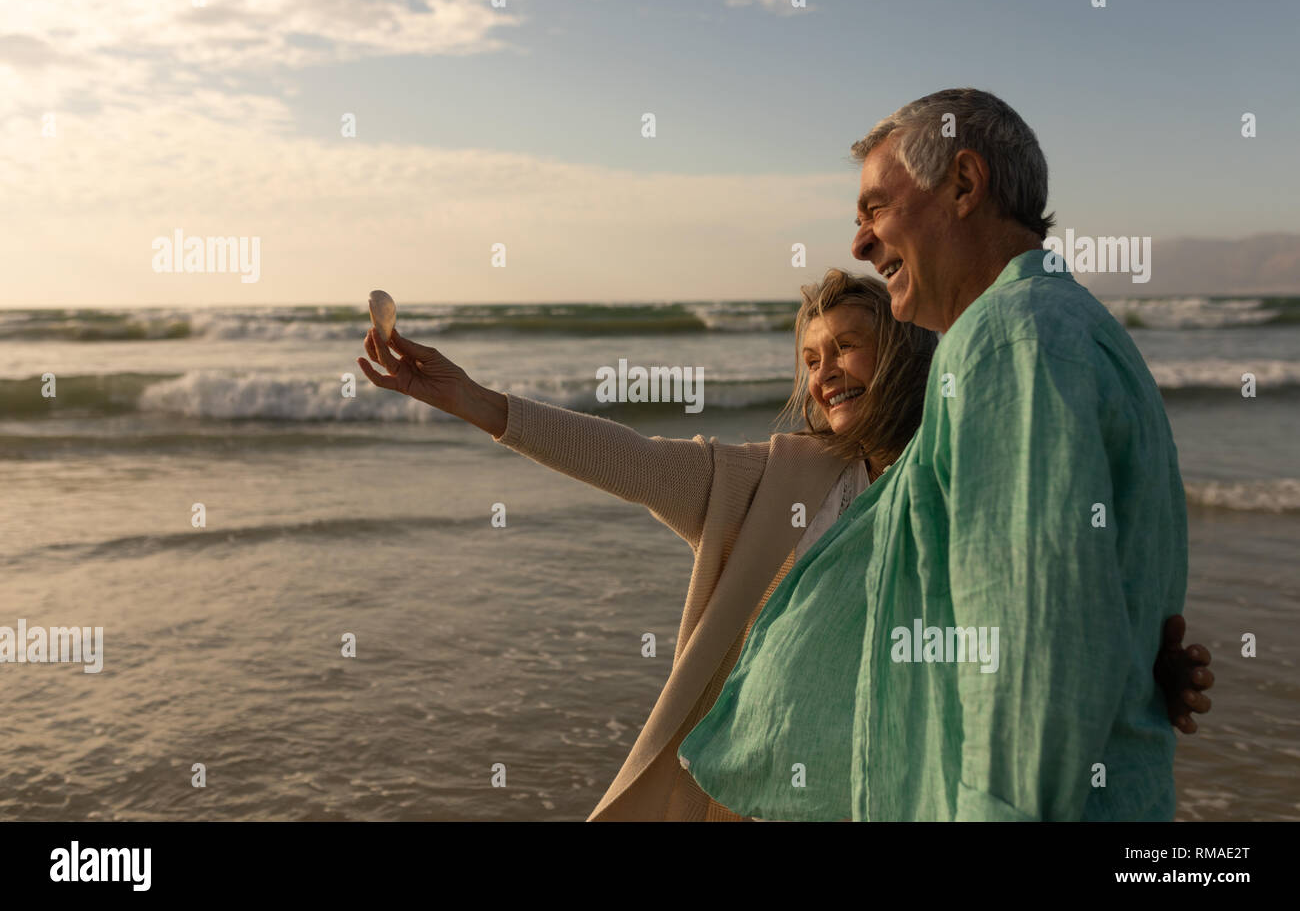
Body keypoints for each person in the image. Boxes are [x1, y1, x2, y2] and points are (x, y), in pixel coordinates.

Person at [358, 264, 1213, 820]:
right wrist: (478, 402)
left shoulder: (963, 482)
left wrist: (1138, 664)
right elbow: (631, 459)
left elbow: (1036, 600)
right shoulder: (772, 483)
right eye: (810, 357)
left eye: (846, 347)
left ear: (908, 353)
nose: (824, 371)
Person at [677, 88, 1201, 821]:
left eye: (875, 209)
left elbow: (1032, 649)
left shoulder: (1010, 342)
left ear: (963, 184)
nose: (859, 242)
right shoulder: (1066, 333)